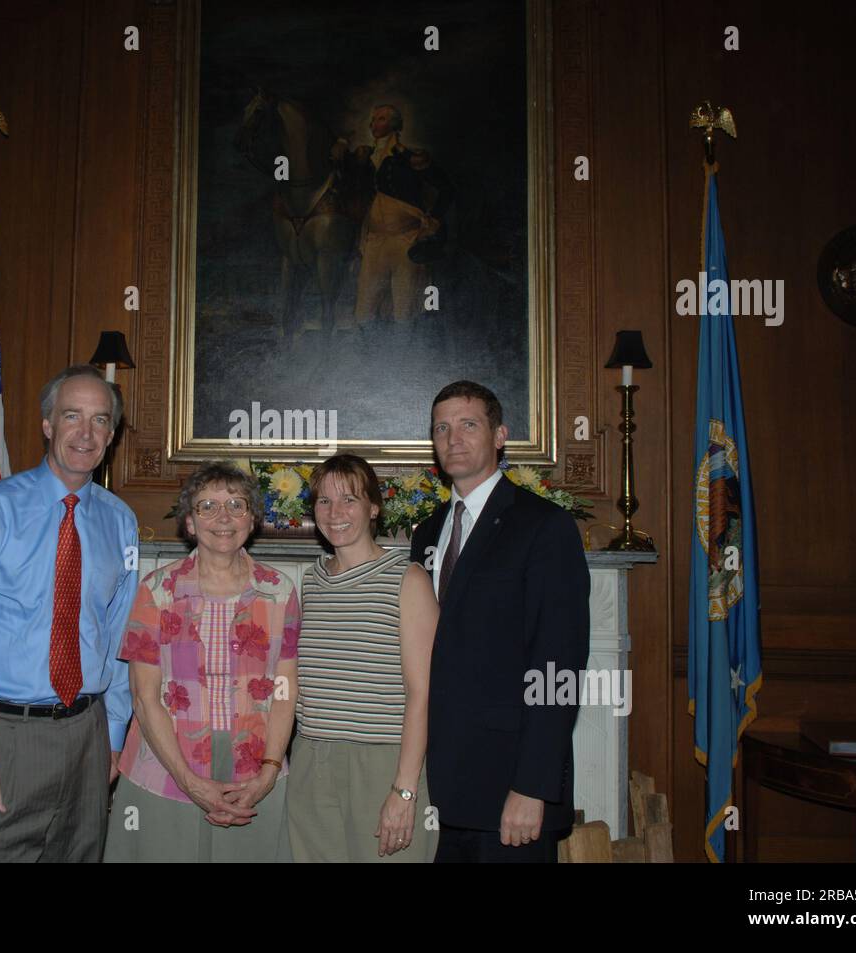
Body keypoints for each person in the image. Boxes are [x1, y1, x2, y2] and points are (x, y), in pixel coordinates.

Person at [0, 364, 138, 862]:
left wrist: (112, 736)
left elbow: (120, 637)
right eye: (72, 416)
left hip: (87, 737)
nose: (85, 433)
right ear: (47, 424)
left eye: (100, 420)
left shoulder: (120, 522)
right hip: (4, 739)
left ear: (112, 434)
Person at [409, 381, 589, 863]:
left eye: (469, 425)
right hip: (439, 791)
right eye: (442, 428)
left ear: (500, 435)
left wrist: (533, 786)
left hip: (510, 792)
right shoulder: (427, 532)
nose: (454, 438)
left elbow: (559, 665)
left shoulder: (544, 527)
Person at [104, 461, 298, 862]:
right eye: (207, 506)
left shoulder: (280, 592)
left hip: (255, 767)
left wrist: (268, 771)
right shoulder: (156, 590)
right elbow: (144, 698)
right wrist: (189, 781)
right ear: (189, 522)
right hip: (165, 765)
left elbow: (285, 693)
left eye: (236, 504)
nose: (222, 517)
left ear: (252, 519)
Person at [286, 454, 439, 862]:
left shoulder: (408, 578)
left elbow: (421, 692)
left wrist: (404, 790)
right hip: (312, 760)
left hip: (383, 762)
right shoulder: (312, 580)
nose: (335, 513)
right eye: (323, 501)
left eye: (349, 500)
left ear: (373, 507)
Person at [335, 104, 454, 326]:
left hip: (405, 240)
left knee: (404, 309)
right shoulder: (365, 157)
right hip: (374, 240)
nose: (373, 124)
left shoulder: (410, 158)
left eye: (380, 119)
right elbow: (345, 179)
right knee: (364, 312)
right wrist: (342, 146)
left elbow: (447, 188)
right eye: (373, 120)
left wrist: (434, 220)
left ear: (394, 124)